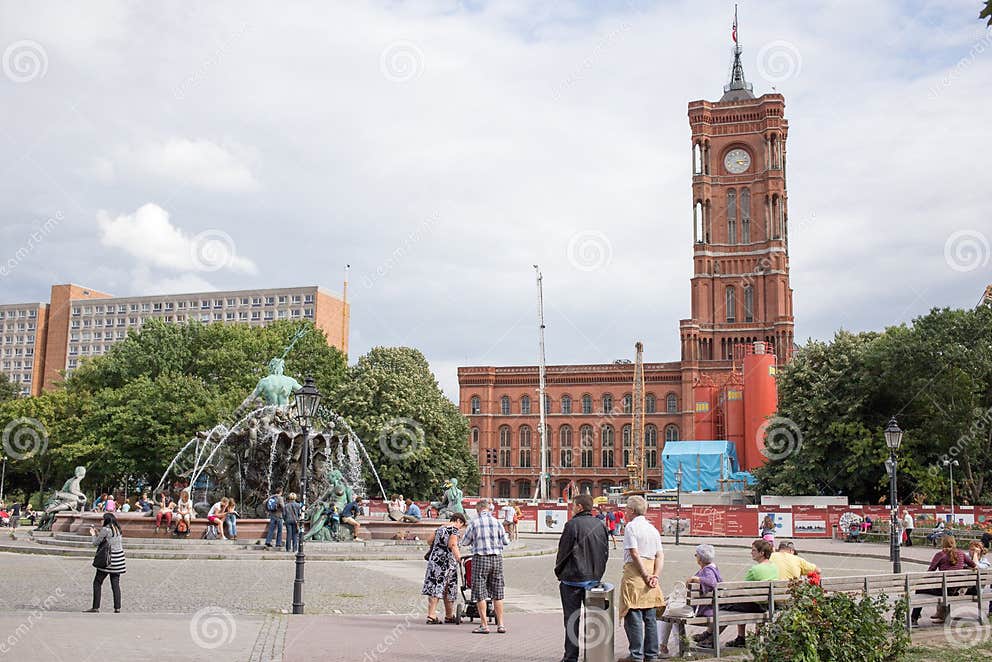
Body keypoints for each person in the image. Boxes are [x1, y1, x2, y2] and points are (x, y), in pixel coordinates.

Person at [554, 494, 608, 662]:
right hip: (593, 579)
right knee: (595, 619)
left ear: (579, 507)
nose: (571, 509)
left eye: (573, 506)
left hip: (573, 579)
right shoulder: (600, 524)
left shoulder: (571, 525)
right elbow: (605, 552)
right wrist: (598, 573)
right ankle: (595, 656)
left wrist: (559, 572)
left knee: (572, 619)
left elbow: (563, 552)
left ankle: (571, 657)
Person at [619, 495, 666, 662]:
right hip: (652, 575)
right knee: (650, 617)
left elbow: (633, 552)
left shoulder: (631, 527)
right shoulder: (653, 529)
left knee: (634, 616)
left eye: (626, 509)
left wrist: (645, 575)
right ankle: (651, 655)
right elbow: (660, 555)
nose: (625, 512)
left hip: (635, 575)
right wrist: (655, 576)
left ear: (631, 511)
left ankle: (636, 655)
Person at [459, 499, 510, 634]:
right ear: (489, 509)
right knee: (498, 593)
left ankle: (484, 625)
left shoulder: (474, 523)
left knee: (480, 592)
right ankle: (501, 625)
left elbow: (464, 542)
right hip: (497, 559)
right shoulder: (497, 522)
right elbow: (506, 541)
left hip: (480, 558)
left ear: (478, 510)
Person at [722, 539, 779, 648]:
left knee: (730, 603)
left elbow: (742, 587)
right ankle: (753, 637)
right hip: (769, 604)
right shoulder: (774, 567)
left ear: (761, 553)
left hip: (756, 606)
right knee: (741, 602)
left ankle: (740, 637)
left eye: (753, 550)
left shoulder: (754, 570)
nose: (751, 552)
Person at [911, 535, 976, 625]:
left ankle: (914, 617)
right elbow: (974, 565)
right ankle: (937, 615)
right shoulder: (961, 554)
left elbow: (930, 571)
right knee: (943, 586)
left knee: (920, 588)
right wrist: (963, 567)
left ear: (943, 544)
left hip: (943, 590)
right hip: (954, 591)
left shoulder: (940, 555)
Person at [422, 513, 466, 624]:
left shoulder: (440, 527)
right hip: (447, 563)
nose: (460, 528)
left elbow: (429, 540)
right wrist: (459, 558)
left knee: (436, 586)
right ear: (458, 521)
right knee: (448, 587)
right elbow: (453, 545)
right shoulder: (454, 529)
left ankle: (440, 615)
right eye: (462, 525)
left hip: (435, 561)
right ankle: (440, 616)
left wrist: (438, 547)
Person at [679, 544, 723, 649]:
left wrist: (695, 579)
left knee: (670, 615)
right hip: (714, 607)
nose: (696, 557)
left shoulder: (707, 570)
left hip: (706, 610)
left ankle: (678, 646)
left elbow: (711, 583)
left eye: (696, 555)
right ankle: (707, 635)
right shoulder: (714, 568)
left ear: (700, 558)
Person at [85, 513, 126, 613]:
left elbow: (95, 543)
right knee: (115, 584)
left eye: (102, 519)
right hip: (119, 561)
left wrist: (93, 534)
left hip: (108, 561)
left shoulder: (106, 529)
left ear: (106, 520)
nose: (101, 521)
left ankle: (95, 607)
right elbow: (109, 540)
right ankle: (117, 607)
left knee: (97, 582)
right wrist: (99, 533)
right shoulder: (118, 529)